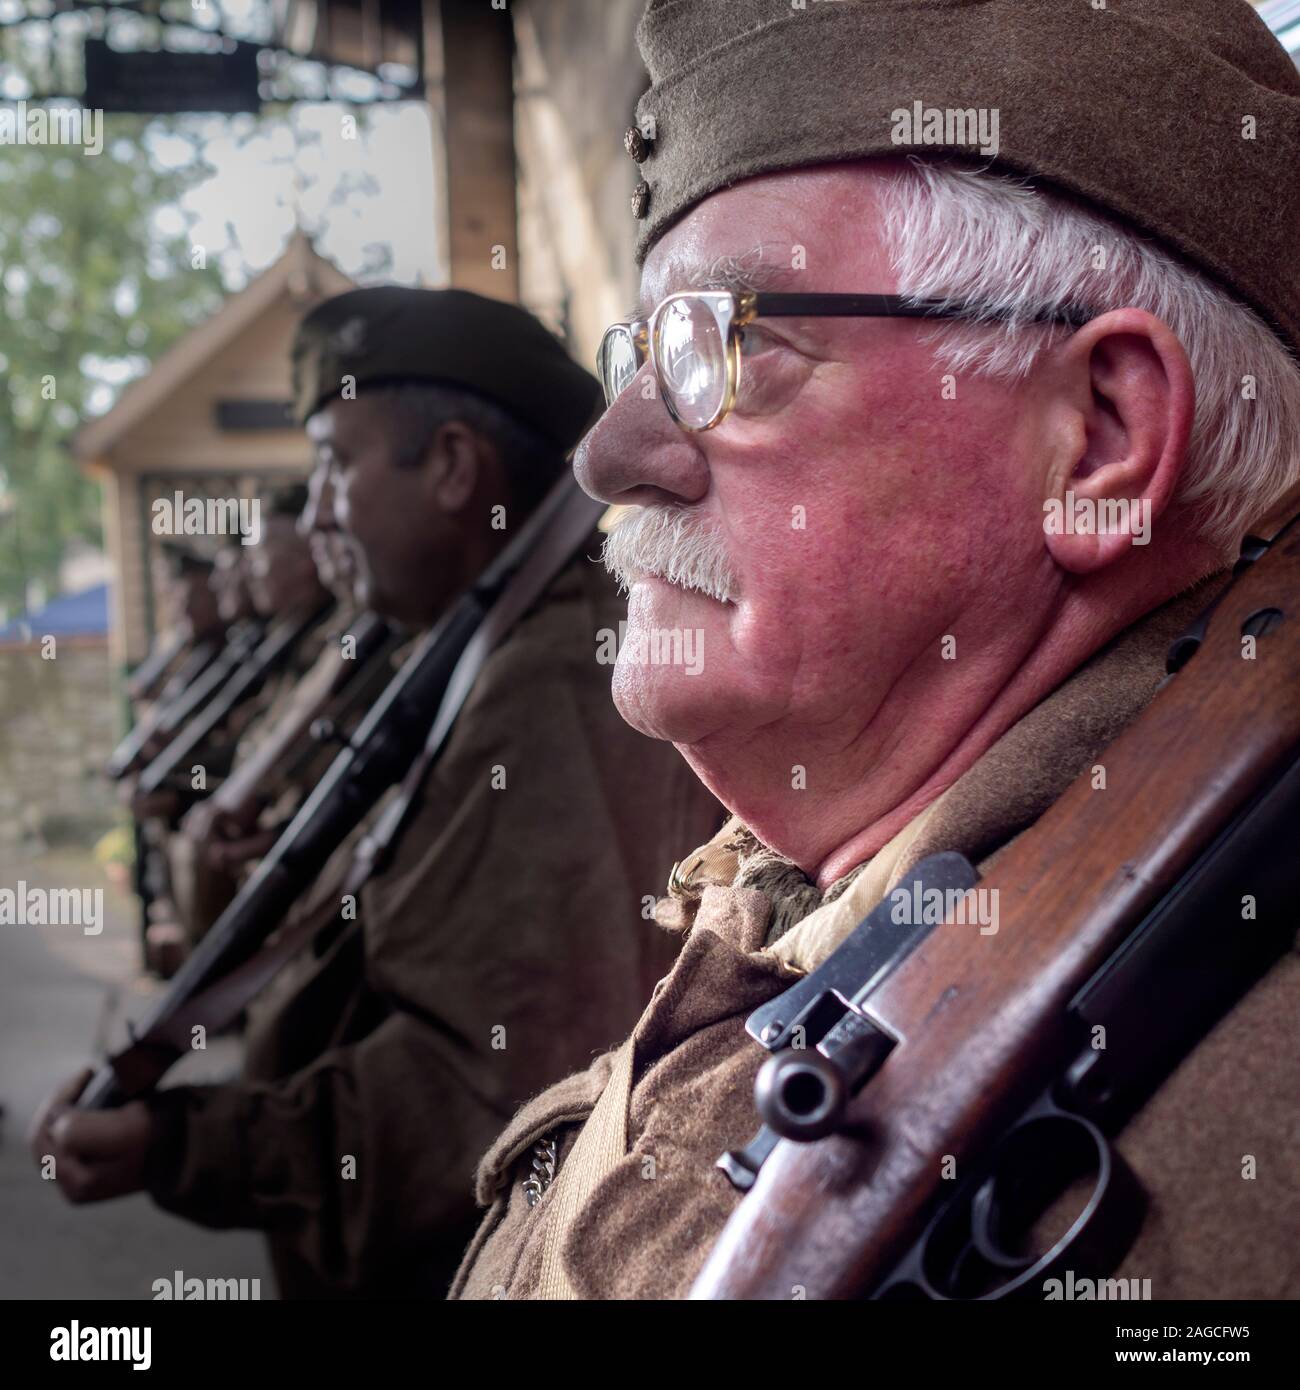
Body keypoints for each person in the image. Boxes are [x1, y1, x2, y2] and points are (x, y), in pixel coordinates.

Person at [451, 0, 1300, 1299]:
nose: (610, 457)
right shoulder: (813, 896)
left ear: (1101, 439)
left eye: (736, 349)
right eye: (647, 356)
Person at [29, 286, 720, 1298]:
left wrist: (189, 1145)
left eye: (333, 463)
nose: (313, 514)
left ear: (450, 467)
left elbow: (489, 1095)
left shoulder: (552, 678)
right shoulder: (477, 646)